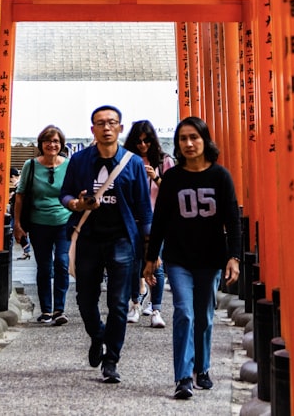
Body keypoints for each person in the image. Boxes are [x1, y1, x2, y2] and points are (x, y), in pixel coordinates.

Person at [143, 116, 241, 400]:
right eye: (183, 139)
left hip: (210, 258)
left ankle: (202, 367)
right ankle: (183, 377)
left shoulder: (220, 176)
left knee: (204, 316)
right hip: (178, 258)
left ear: (204, 140)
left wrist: (234, 257)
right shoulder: (172, 178)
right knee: (184, 313)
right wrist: (151, 258)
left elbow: (232, 220)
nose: (188, 143)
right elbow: (160, 220)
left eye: (194, 137)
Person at [60, 105, 151, 384]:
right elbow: (65, 194)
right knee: (85, 299)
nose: (106, 127)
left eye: (112, 122)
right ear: (93, 129)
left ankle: (111, 359)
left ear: (120, 128)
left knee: (119, 303)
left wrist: (151, 251)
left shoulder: (133, 163)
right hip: (88, 237)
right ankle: (97, 334)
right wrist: (76, 204)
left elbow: (144, 209)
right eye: (100, 123)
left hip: (122, 239)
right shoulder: (79, 161)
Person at [13, 125, 72, 325]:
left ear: (61, 144)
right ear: (41, 144)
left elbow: (74, 192)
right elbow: (20, 196)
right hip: (38, 223)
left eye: (56, 141)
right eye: (48, 141)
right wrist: (17, 224)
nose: (52, 145)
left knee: (62, 263)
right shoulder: (30, 165)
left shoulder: (68, 165)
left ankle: (59, 309)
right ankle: (46, 310)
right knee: (45, 267)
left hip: (64, 222)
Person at [123, 120, 174, 329]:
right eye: (139, 141)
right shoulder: (126, 160)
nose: (143, 145)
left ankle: (156, 308)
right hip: (132, 219)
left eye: (147, 141)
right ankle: (135, 303)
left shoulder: (163, 161)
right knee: (133, 263)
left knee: (156, 263)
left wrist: (156, 178)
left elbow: (173, 192)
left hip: (156, 220)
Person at [9, 167, 32, 260]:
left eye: (10, 179)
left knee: (13, 231)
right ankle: (26, 251)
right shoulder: (20, 184)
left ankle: (26, 250)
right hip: (19, 214)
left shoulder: (20, 185)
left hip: (19, 214)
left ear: (13, 176)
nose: (10, 181)